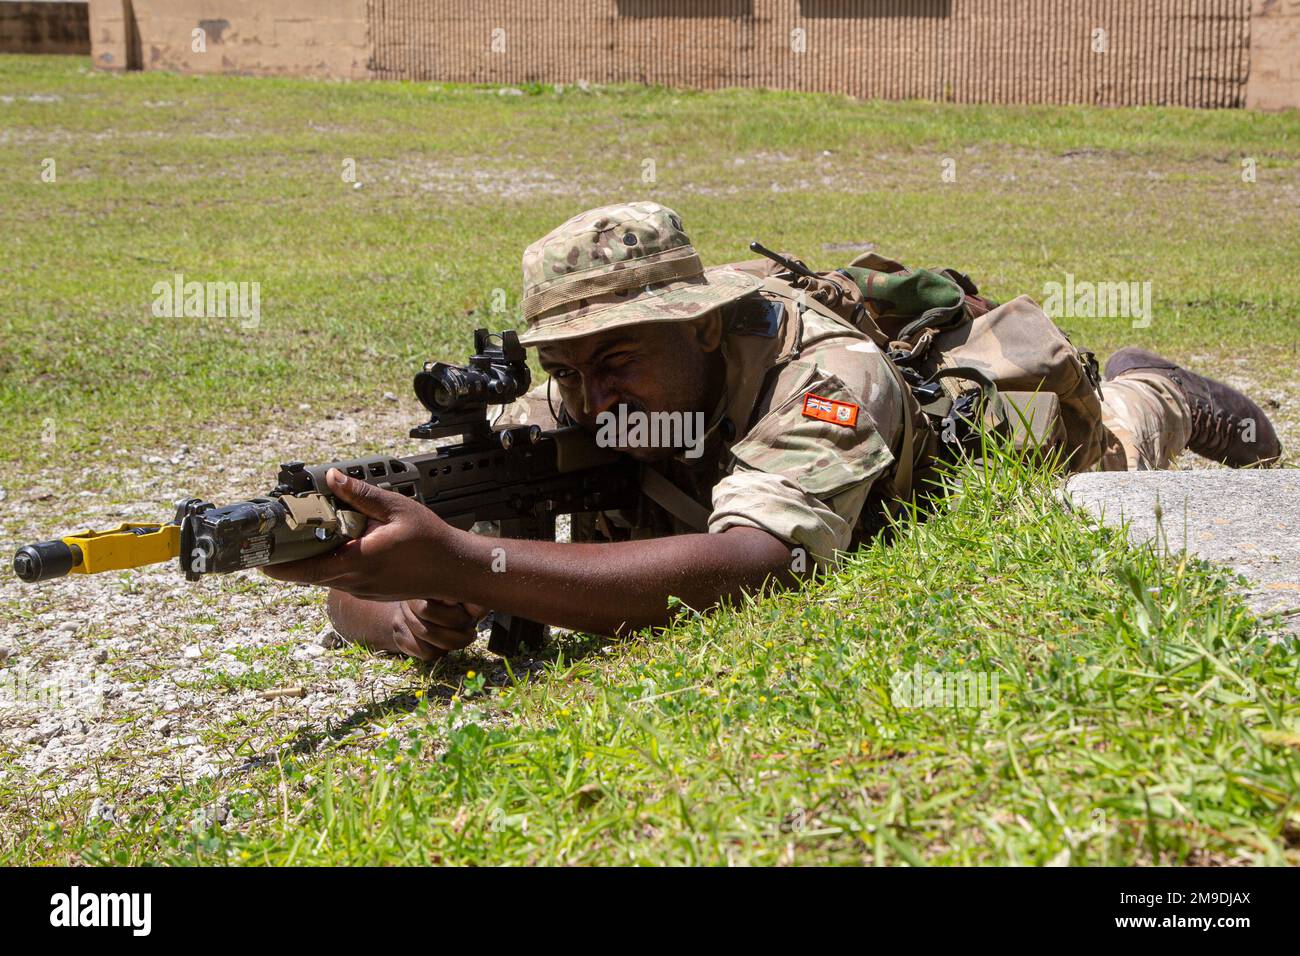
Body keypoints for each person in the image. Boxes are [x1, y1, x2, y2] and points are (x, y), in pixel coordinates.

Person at [262, 201, 1282, 660]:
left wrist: (473, 565)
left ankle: (1158, 385)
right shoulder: (576, 405)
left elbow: (758, 564)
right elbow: (380, 556)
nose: (589, 395)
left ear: (698, 326)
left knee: (1108, 442)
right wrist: (395, 610)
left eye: (615, 359)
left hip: (981, 437)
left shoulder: (822, 370)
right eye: (562, 367)